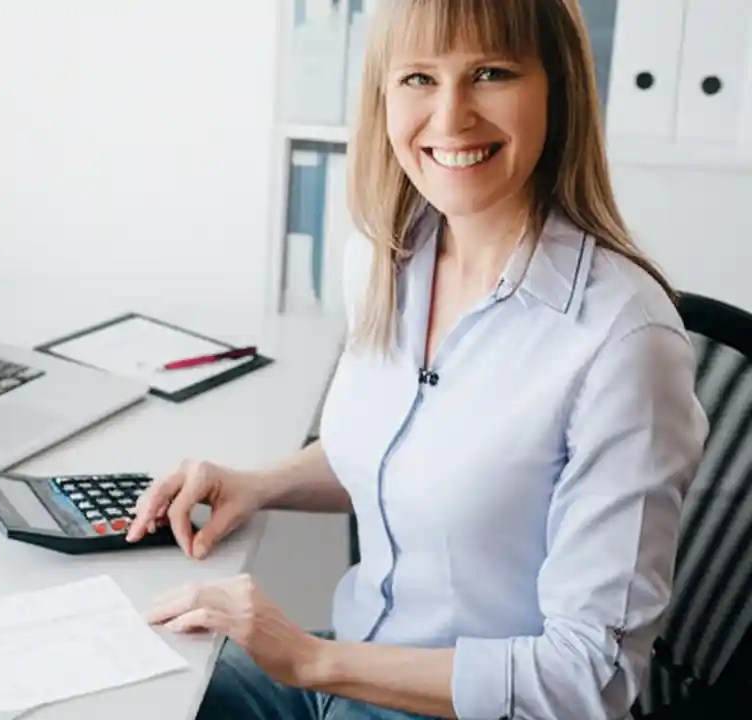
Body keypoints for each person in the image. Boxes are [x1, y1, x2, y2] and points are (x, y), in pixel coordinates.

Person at [125, 0, 710, 718]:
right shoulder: (386, 258)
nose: (451, 115)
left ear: (556, 89)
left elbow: (590, 676)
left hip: (431, 698)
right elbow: (411, 448)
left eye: (491, 73)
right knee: (120, 677)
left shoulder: (624, 342)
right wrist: (257, 483)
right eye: (418, 79)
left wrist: (311, 658)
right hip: (343, 679)